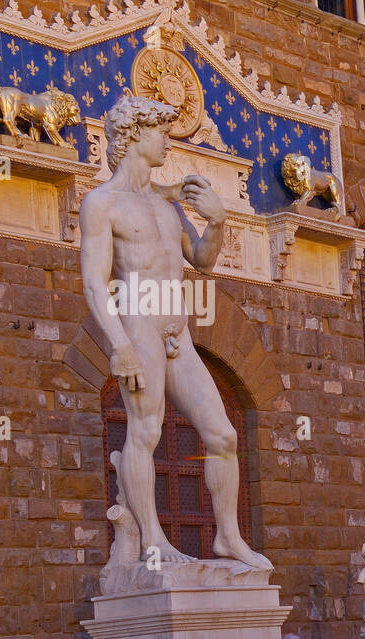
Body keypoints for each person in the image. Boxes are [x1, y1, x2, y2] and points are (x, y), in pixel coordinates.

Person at [80, 95, 270, 570]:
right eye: (161, 132)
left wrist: (219, 220)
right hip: (138, 322)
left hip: (176, 329)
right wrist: (119, 346)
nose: (169, 140)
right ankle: (152, 543)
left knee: (223, 435)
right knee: (145, 431)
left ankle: (228, 537)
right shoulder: (101, 204)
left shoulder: (167, 204)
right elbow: (93, 281)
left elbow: (202, 260)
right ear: (135, 136)